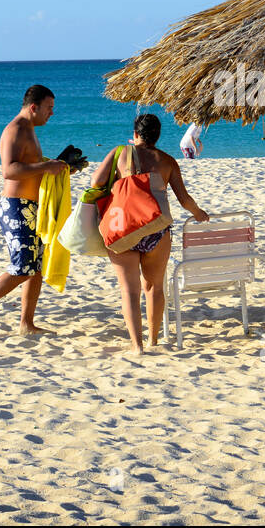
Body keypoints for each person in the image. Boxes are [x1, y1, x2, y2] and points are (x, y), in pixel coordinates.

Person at [89, 114, 208, 354]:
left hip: (123, 227)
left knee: (130, 291)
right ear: (158, 135)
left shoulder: (120, 153)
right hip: (156, 229)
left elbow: (95, 183)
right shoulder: (167, 160)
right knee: (154, 287)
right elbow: (184, 200)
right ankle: (154, 341)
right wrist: (199, 213)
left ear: (135, 134)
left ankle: (137, 346)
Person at [0, 86, 70, 336]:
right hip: (16, 207)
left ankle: (27, 323)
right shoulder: (16, 129)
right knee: (23, 265)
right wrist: (46, 165)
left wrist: (57, 167)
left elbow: (31, 165)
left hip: (33, 207)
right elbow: (9, 170)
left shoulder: (30, 130)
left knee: (36, 267)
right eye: (49, 108)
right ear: (33, 107)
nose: (51, 114)